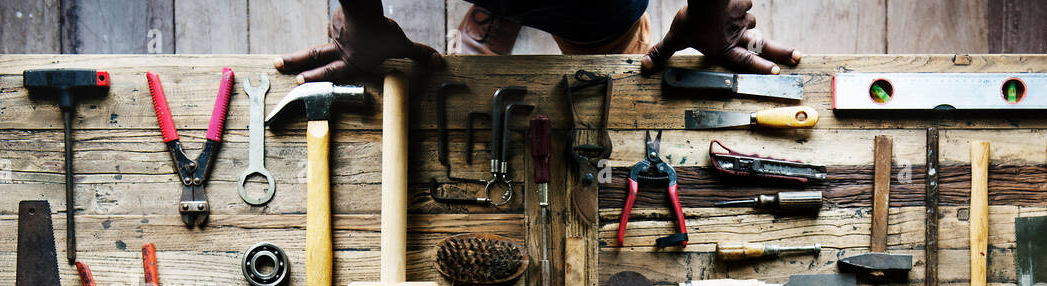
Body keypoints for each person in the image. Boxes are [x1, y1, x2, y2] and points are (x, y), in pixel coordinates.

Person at [274, 0, 800, 82]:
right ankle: (504, 9)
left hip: (590, 3)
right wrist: (361, 18)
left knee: (607, 60)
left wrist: (709, 10)